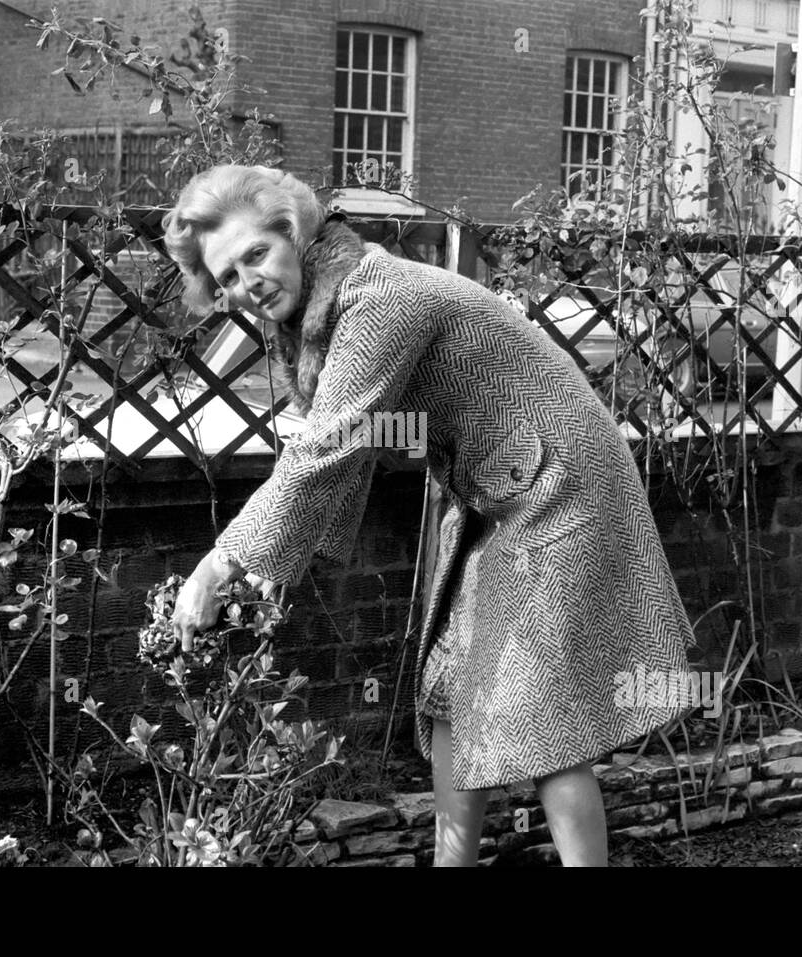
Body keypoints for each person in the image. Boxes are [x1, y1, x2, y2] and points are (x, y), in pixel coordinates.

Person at [164, 164, 696, 866]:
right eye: (228, 277)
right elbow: (365, 441)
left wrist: (220, 562)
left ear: (293, 234)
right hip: (495, 483)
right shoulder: (321, 315)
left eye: (255, 255)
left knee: (545, 707)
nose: (247, 284)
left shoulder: (378, 297)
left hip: (560, 484)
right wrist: (272, 559)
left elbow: (326, 446)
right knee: (449, 689)